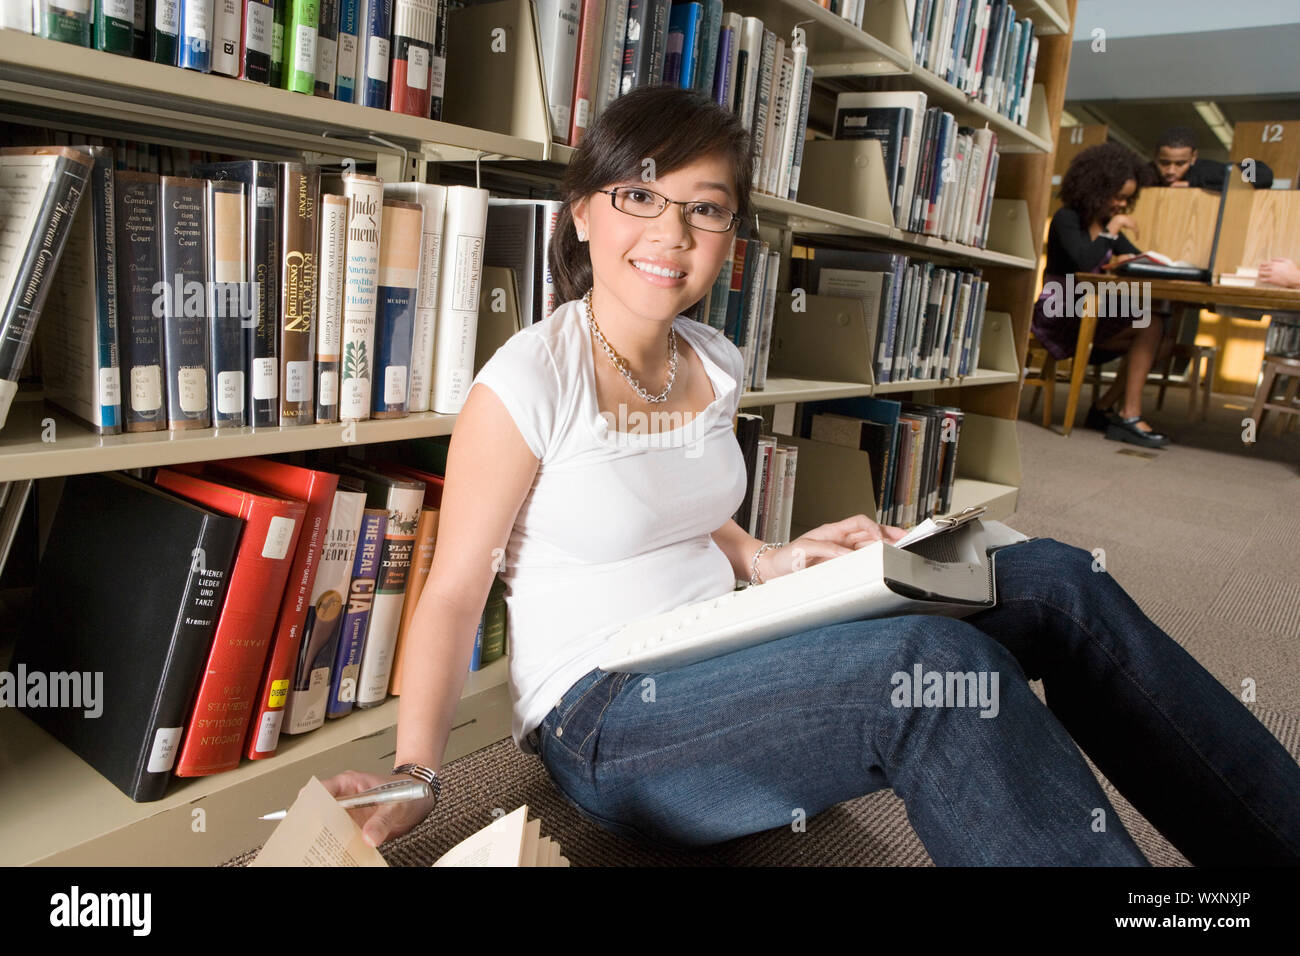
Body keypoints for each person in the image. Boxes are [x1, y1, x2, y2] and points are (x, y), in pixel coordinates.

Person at [324, 87, 1300, 865]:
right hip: (610, 711)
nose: (671, 234)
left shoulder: (710, 358)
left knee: (1053, 579)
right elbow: (451, 593)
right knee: (936, 672)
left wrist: (769, 556)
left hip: (730, 639)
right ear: (582, 211)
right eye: (639, 197)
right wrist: (418, 768)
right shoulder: (527, 378)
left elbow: (677, 510)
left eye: (704, 210)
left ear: (730, 236)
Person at [1032, 142, 1177, 448]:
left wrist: (1149, 262)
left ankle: (1105, 408)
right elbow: (1085, 260)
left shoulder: (1105, 224)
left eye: (1127, 199)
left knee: (1161, 339)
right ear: (1095, 189)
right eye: (1119, 197)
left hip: (1094, 308)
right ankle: (1128, 415)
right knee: (1151, 326)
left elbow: (1137, 259)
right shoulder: (1067, 218)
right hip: (1062, 308)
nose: (1123, 205)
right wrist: (1112, 231)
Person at [1148, 126, 1273, 191]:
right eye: (1164, 163)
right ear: (1155, 157)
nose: (1171, 171)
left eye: (1180, 164)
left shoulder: (1204, 171)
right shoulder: (1145, 173)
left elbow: (1263, 174)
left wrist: (1195, 184)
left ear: (1193, 157)